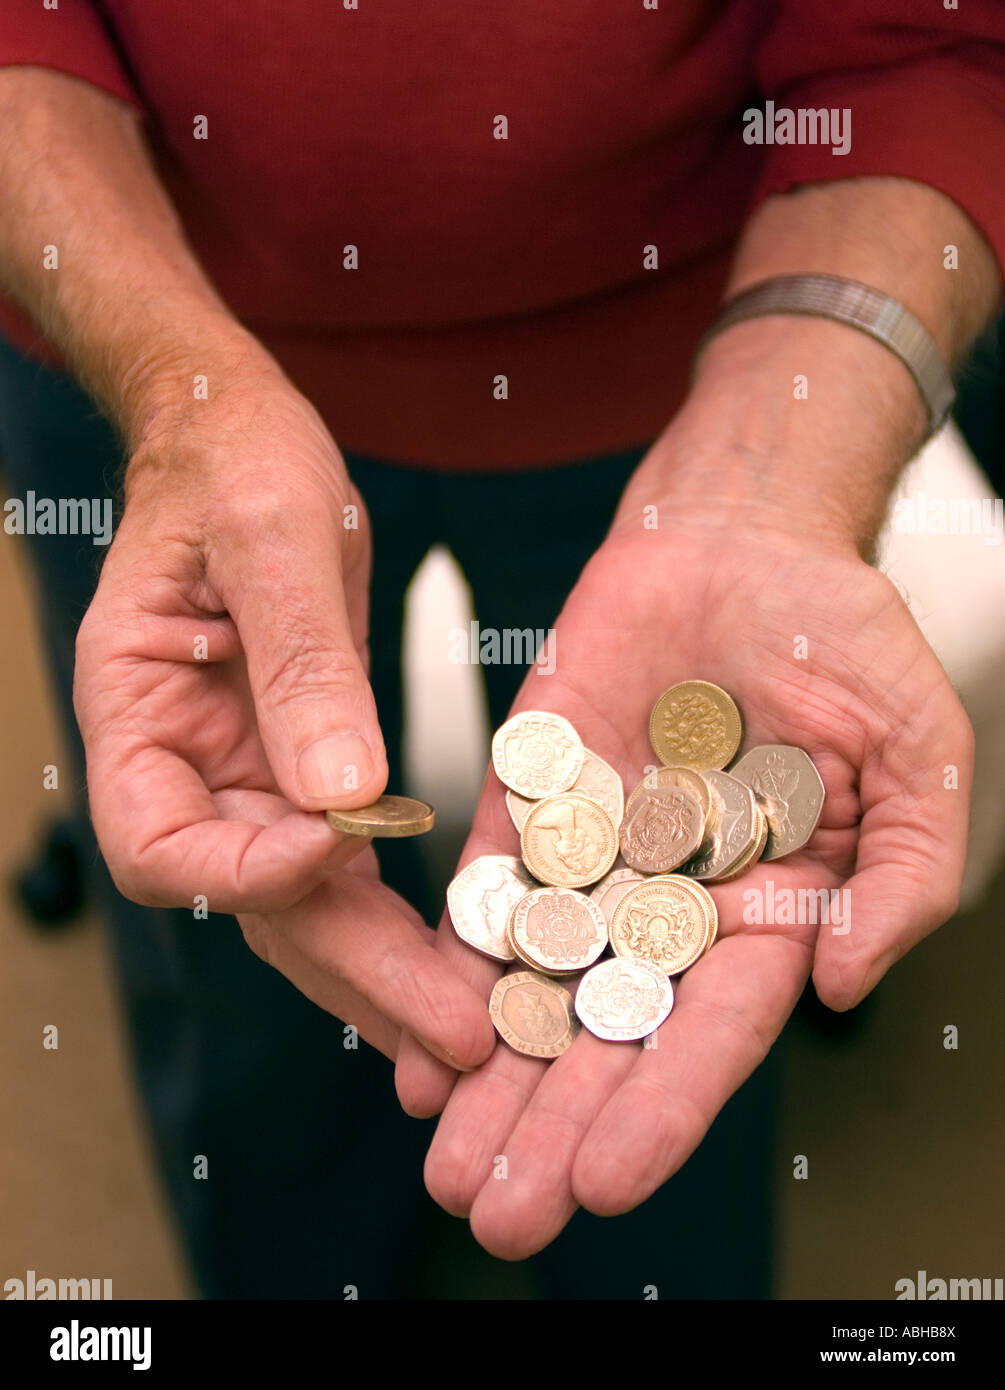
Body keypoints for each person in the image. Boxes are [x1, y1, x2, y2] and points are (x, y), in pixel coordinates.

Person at [0, 2, 1002, 1298]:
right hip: (132, 320)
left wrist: (778, 468)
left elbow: (929, 38)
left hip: (695, 360)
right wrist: (174, 381)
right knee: (234, 933)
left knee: (660, 1043)